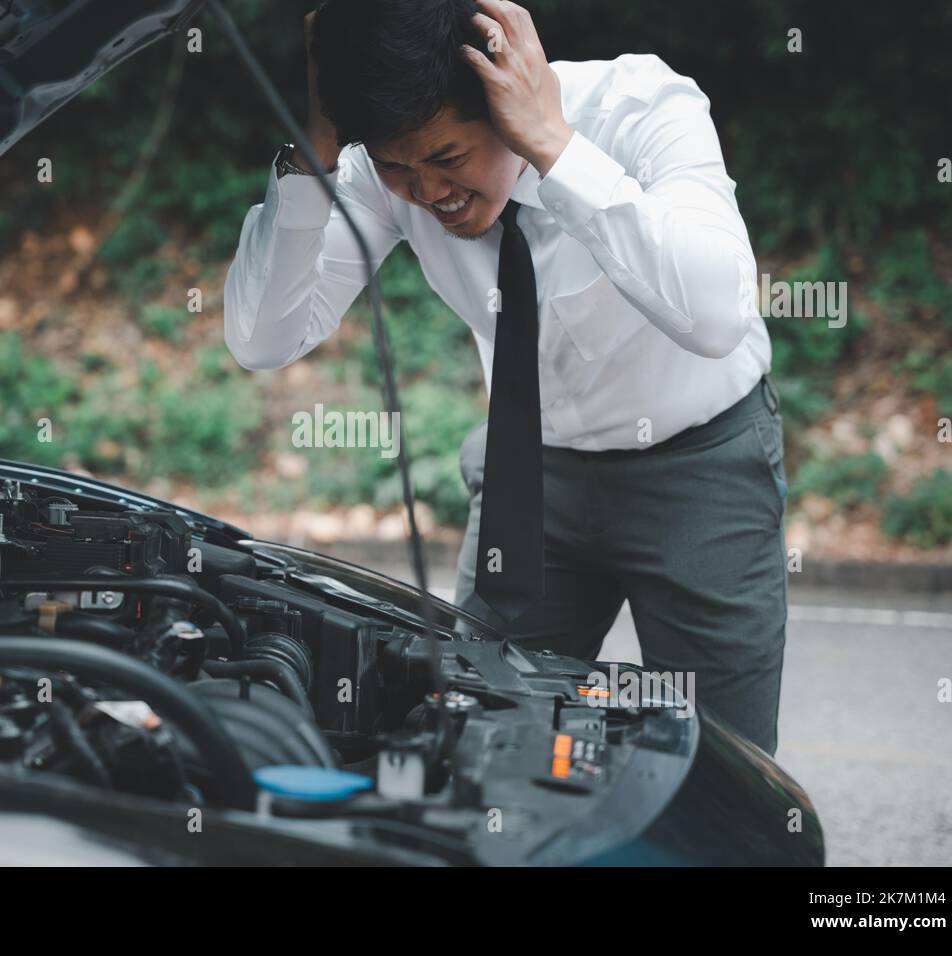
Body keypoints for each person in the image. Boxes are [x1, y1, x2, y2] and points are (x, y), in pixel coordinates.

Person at [222, 0, 787, 756]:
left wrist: (556, 149)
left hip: (702, 471)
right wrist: (310, 159)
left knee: (724, 764)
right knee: (483, 740)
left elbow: (718, 313)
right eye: (399, 168)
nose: (428, 194)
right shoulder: (389, 162)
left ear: (504, 103)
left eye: (449, 160)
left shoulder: (640, 106)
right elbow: (264, 339)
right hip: (531, 479)